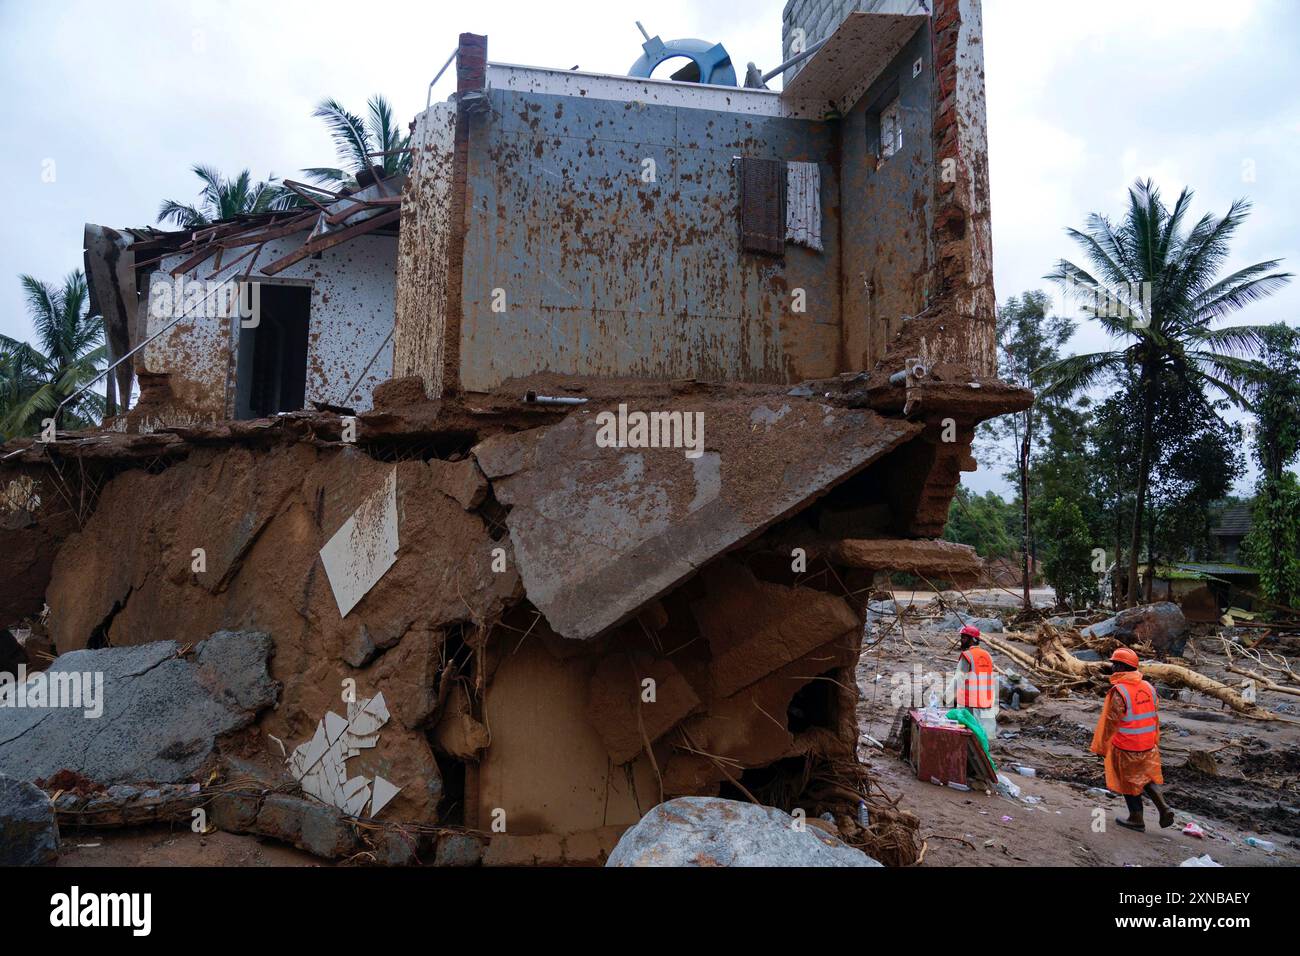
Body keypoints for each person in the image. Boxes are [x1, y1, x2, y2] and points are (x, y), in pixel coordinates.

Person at [1089, 647, 1174, 831]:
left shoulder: (1120, 691)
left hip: (1127, 745)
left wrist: (1101, 748)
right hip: (1148, 744)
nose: (1111, 667)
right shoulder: (1148, 687)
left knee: (1129, 781)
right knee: (1145, 777)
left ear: (1120, 666)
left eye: (1114, 664)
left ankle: (1136, 818)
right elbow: (1154, 716)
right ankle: (1163, 807)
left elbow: (1110, 722)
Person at [950, 624, 998, 740]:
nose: (961, 640)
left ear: (972, 640)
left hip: (970, 702)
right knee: (985, 733)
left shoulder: (967, 656)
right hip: (985, 700)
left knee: (970, 733)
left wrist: (946, 696)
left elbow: (957, 679)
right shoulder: (987, 655)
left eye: (964, 638)